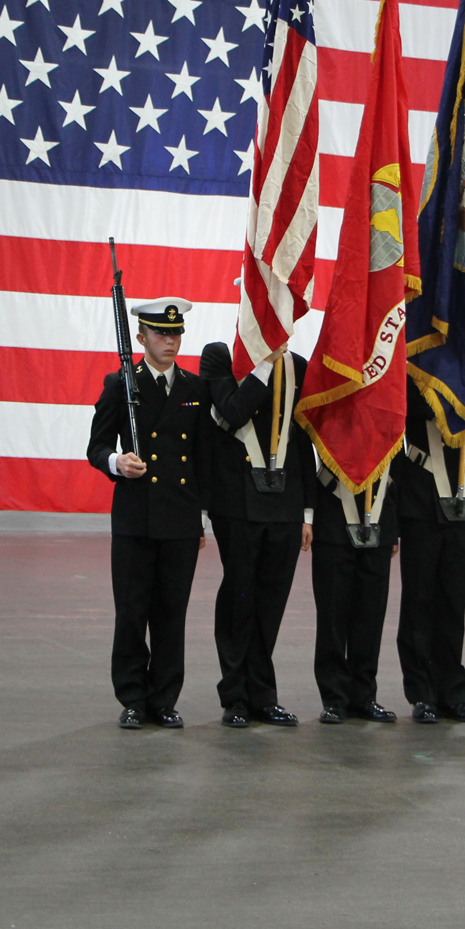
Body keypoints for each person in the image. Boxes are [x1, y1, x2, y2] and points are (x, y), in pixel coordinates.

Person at [86, 297, 210, 730]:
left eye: (175, 334)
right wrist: (116, 462)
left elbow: (200, 461)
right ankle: (134, 698)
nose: (170, 341)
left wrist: (200, 520)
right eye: (160, 333)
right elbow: (95, 447)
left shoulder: (195, 390)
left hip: (178, 519)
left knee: (171, 614)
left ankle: (164, 699)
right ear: (141, 337)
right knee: (133, 612)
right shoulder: (121, 383)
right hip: (136, 518)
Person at [200, 340, 317, 728]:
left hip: (284, 502)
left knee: (271, 602)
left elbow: (301, 441)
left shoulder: (298, 366)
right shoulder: (221, 357)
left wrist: (307, 511)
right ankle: (234, 695)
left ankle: (263, 694)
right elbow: (233, 413)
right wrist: (264, 365)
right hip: (237, 503)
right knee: (240, 598)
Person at [392, 380, 465, 724]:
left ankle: (453, 693)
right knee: (419, 600)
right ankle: (421, 692)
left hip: (463, 503)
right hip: (421, 500)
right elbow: (410, 416)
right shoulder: (412, 376)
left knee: (453, 602)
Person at [310, 460, 399, 725]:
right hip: (334, 510)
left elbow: (398, 460)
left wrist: (393, 528)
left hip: (380, 511)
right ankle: (334, 697)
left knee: (371, 613)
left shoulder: (390, 415)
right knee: (333, 612)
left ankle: (364, 695)